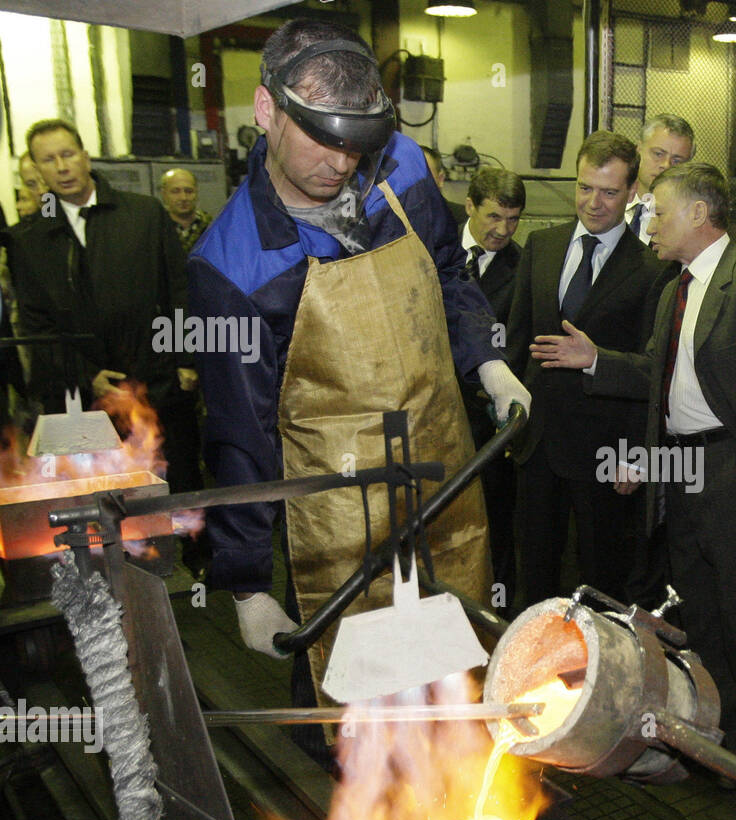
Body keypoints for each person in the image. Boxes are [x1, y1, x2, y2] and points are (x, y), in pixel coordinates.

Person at [188, 20, 529, 748]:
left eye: (355, 141)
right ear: (266, 111)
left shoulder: (401, 166)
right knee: (357, 698)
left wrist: (488, 360)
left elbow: (446, 271)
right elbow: (240, 434)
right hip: (340, 509)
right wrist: (246, 581)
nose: (341, 162)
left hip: (441, 467)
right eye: (320, 138)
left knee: (454, 665)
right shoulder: (231, 263)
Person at [530, 162, 736, 766]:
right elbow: (657, 379)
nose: (649, 225)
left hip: (735, 471)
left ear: (699, 214)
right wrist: (599, 363)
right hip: (681, 469)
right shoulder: (674, 290)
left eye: (659, 212)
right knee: (698, 611)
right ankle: (708, 733)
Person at [505, 130, 663, 607]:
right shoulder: (542, 246)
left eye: (609, 192)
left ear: (632, 193)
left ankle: (602, 672)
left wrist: (637, 454)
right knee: (535, 572)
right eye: (584, 187)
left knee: (601, 575)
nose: (594, 202)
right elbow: (516, 342)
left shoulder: (653, 269)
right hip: (537, 446)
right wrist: (511, 420)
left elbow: (652, 373)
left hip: (606, 453)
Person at [7, 119, 202, 495]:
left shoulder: (143, 216)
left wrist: (186, 361)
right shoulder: (30, 240)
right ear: (36, 169)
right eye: (48, 160)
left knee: (180, 485)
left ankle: (198, 554)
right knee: (105, 495)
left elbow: (179, 289)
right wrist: (84, 375)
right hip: (84, 399)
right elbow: (36, 327)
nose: (61, 167)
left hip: (157, 383)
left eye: (67, 154)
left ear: (85, 155)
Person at [459, 166, 526, 607]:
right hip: (434, 412)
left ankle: (494, 618)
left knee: (497, 526)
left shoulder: (525, 267)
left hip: (491, 423)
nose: (503, 230)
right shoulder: (434, 252)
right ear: (469, 206)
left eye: (513, 220)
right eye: (493, 217)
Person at [625, 114, 694, 246]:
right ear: (638, 150)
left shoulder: (688, 222)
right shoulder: (609, 203)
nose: (666, 165)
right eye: (658, 154)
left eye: (677, 160)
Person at [159, 168, 213, 253]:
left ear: (196, 193)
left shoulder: (211, 226)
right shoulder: (157, 227)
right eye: (175, 191)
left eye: (189, 191)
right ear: (164, 194)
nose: (183, 197)